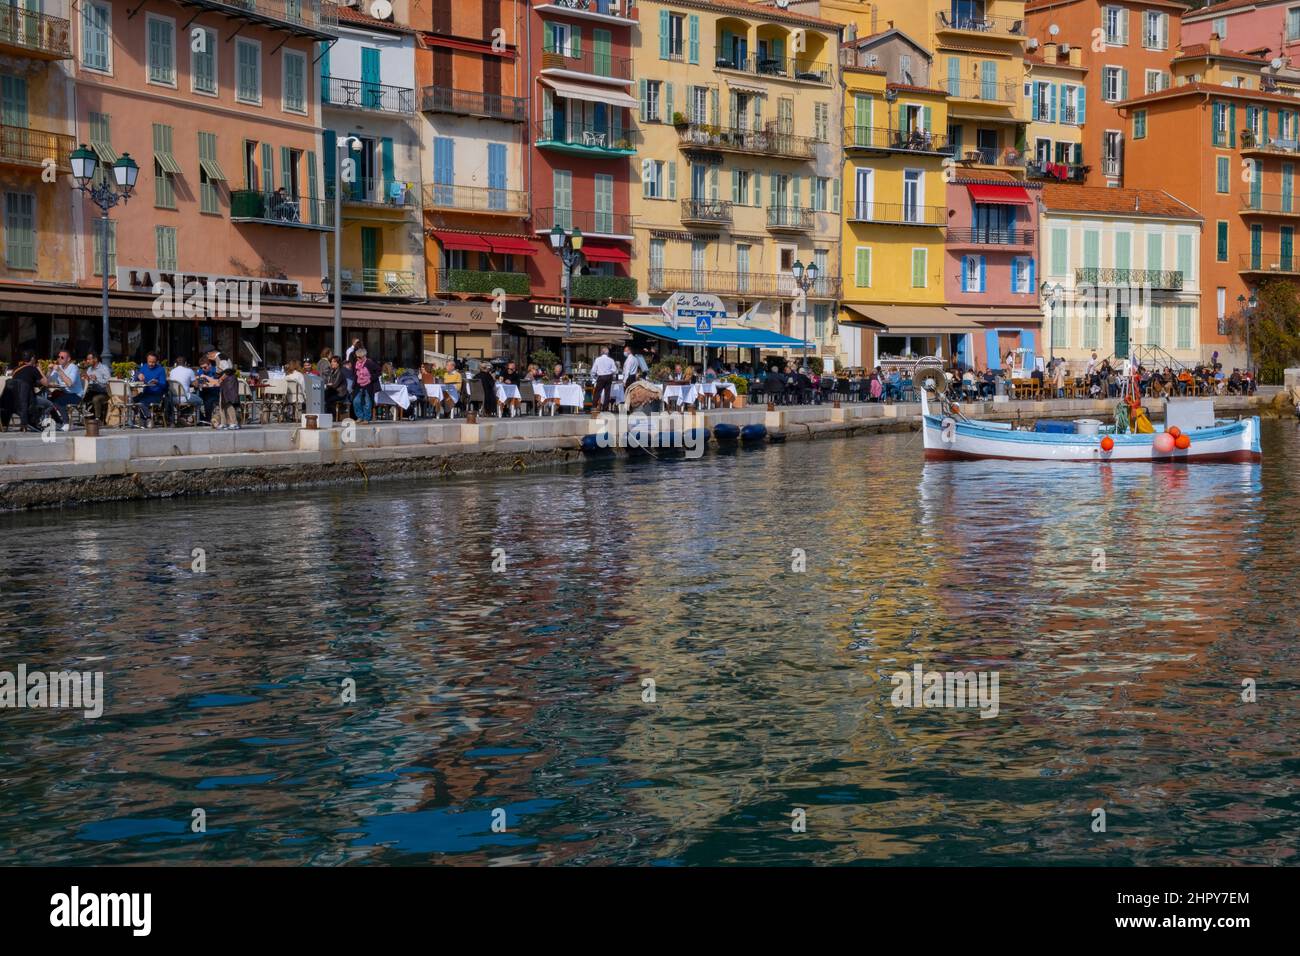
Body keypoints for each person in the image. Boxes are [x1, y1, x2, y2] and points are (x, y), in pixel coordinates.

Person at [1, 352, 56, 431]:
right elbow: (46, 383)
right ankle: (37, 422)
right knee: (49, 404)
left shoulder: (16, 369)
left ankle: (26, 423)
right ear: (32, 359)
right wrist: (39, 370)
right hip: (27, 401)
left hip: (14, 402)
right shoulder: (32, 369)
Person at [46, 349, 84, 430]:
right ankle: (59, 422)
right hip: (64, 392)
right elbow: (47, 382)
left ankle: (66, 423)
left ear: (68, 359)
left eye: (62, 357)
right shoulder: (58, 367)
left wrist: (59, 371)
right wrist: (49, 371)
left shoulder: (73, 368)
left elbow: (70, 383)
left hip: (76, 395)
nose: (59, 359)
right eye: (58, 357)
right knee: (48, 401)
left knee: (59, 401)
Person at [134, 352, 168, 426]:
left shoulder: (161, 369)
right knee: (132, 401)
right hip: (146, 393)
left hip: (156, 394)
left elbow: (164, 385)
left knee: (141, 402)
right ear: (147, 360)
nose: (151, 364)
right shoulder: (144, 367)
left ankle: (148, 418)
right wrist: (138, 375)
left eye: (153, 362)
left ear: (157, 362)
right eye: (149, 361)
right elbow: (135, 377)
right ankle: (143, 419)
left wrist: (157, 382)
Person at [168, 355, 201, 424]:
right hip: (185, 398)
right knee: (199, 400)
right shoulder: (189, 370)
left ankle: (183, 417)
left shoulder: (172, 371)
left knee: (190, 398)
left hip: (173, 398)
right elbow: (196, 385)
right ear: (185, 363)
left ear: (176, 364)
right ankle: (194, 419)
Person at [351, 347, 380, 422]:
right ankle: (360, 416)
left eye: (359, 357)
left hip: (368, 385)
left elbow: (378, 371)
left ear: (364, 356)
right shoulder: (356, 364)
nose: (358, 359)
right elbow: (355, 374)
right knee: (356, 401)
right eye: (357, 357)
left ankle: (366, 418)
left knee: (367, 402)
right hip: (358, 385)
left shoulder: (369, 363)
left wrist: (371, 379)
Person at [82, 352, 111, 424]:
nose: (87, 361)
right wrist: (86, 379)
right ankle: (86, 414)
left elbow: (108, 382)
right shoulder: (89, 369)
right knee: (80, 396)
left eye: (89, 359)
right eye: (87, 359)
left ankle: (98, 419)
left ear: (95, 359)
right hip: (92, 390)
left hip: (104, 392)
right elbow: (88, 382)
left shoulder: (104, 368)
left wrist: (96, 379)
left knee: (96, 399)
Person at [591, 346, 618, 411]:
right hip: (609, 377)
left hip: (601, 377)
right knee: (607, 393)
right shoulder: (611, 360)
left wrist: (593, 377)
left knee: (597, 392)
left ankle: (594, 406)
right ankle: (605, 408)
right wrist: (609, 371)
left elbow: (593, 370)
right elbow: (615, 370)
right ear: (607, 353)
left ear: (601, 352)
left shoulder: (597, 359)